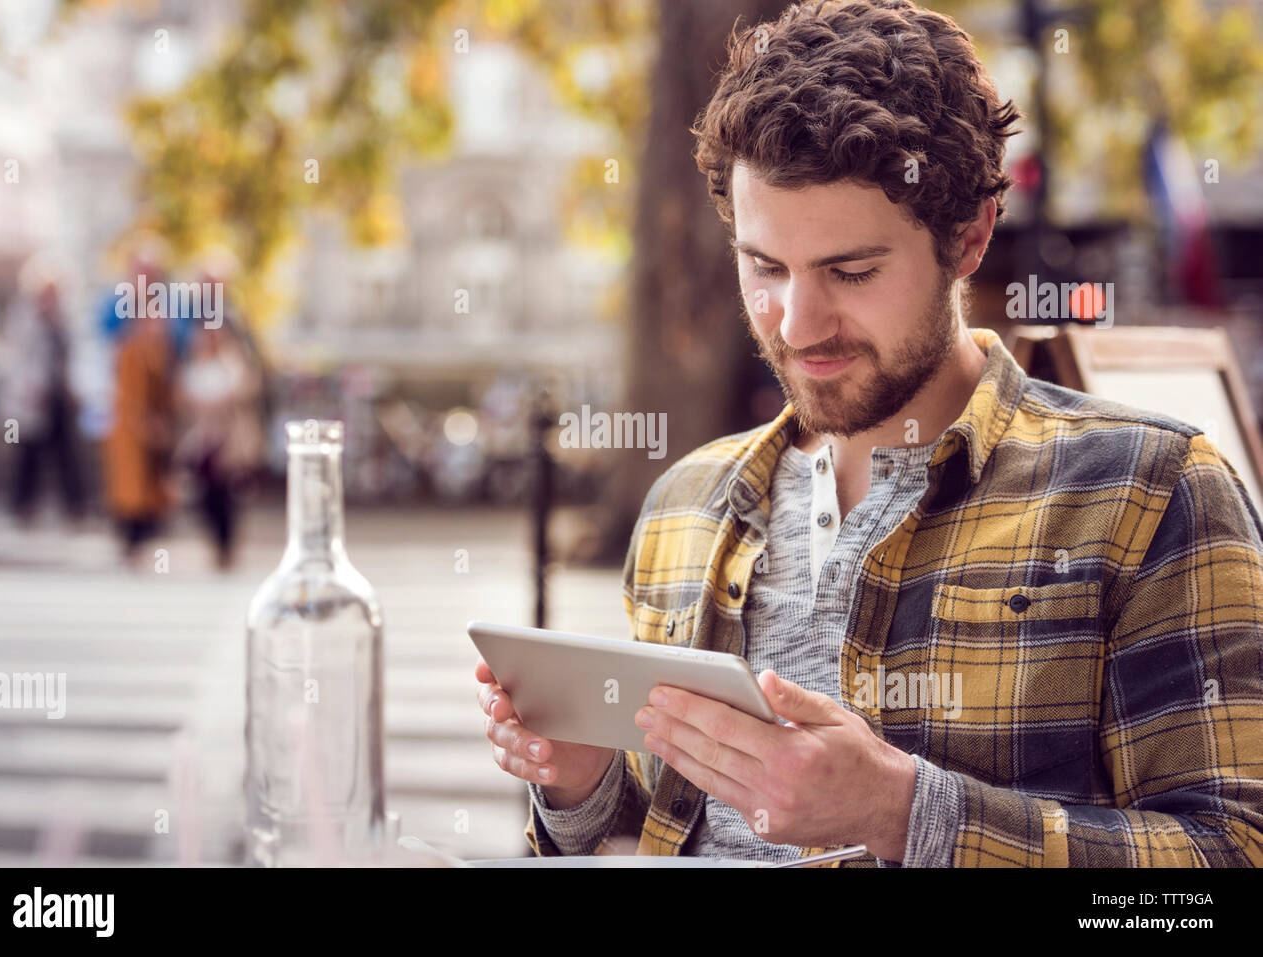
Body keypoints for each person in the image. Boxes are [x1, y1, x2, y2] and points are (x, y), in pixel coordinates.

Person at [477, 0, 1263, 866]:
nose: (799, 325)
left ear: (969, 239)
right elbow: (648, 824)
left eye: (851, 271)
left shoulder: (1149, 490)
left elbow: (1221, 866)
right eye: (765, 266)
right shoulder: (683, 507)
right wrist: (579, 787)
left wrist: (903, 811)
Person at [0, 257, 86, 523]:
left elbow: (75, 352)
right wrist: (29, 386)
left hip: (58, 393)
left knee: (66, 452)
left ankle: (75, 507)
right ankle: (23, 505)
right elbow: (16, 355)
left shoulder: (66, 316)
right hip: (32, 395)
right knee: (28, 452)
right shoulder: (22, 316)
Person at [175, 320, 263, 569]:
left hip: (228, 440)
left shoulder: (231, 364)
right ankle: (215, 542)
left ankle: (227, 545)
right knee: (203, 496)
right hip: (202, 441)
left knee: (227, 495)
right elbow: (183, 399)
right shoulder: (193, 366)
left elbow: (244, 390)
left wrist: (219, 405)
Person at [103, 301, 175, 566]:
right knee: (132, 491)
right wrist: (145, 422)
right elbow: (130, 395)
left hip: (150, 428)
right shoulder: (133, 350)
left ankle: (140, 542)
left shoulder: (160, 351)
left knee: (148, 490)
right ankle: (130, 544)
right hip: (133, 430)